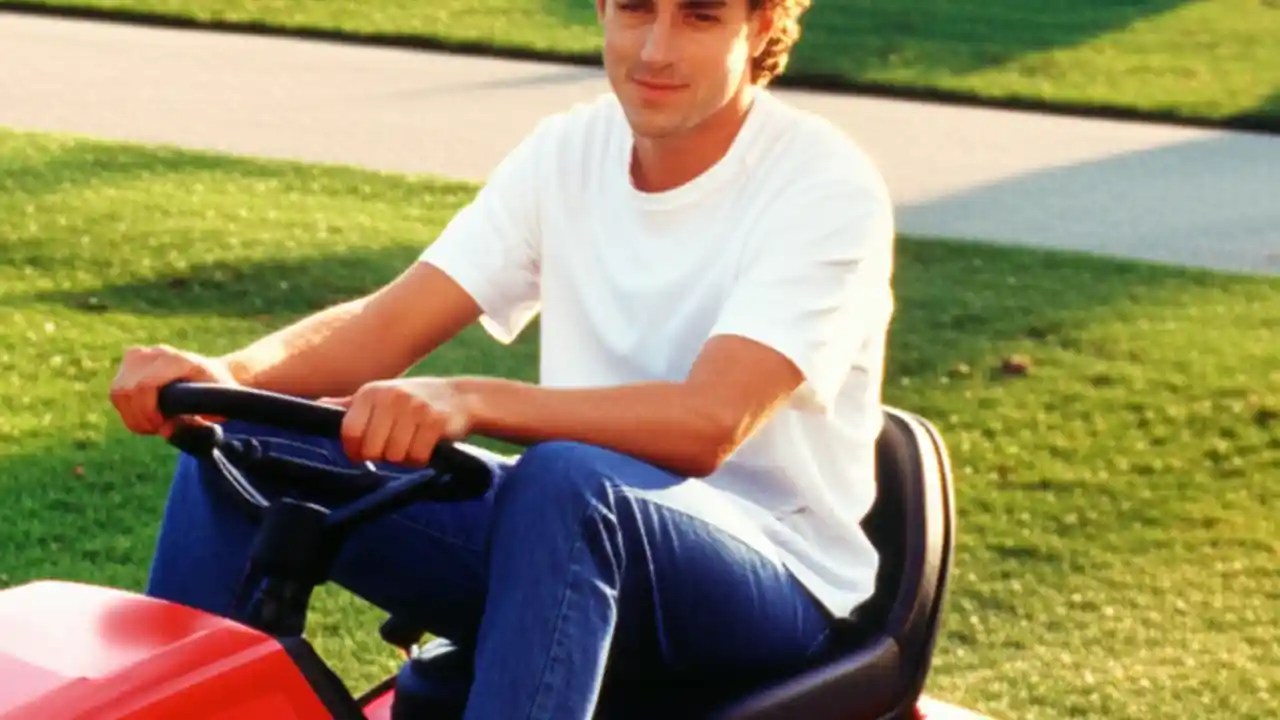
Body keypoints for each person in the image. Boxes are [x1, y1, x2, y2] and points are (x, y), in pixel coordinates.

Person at [108, 0, 896, 716]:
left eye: (699, 16)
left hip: (774, 581)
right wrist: (230, 375)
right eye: (634, 9)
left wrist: (473, 399)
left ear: (760, 27)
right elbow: (390, 321)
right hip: (573, 527)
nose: (655, 48)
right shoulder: (571, 151)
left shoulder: (821, 185)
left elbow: (708, 421)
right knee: (238, 450)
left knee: (568, 480)